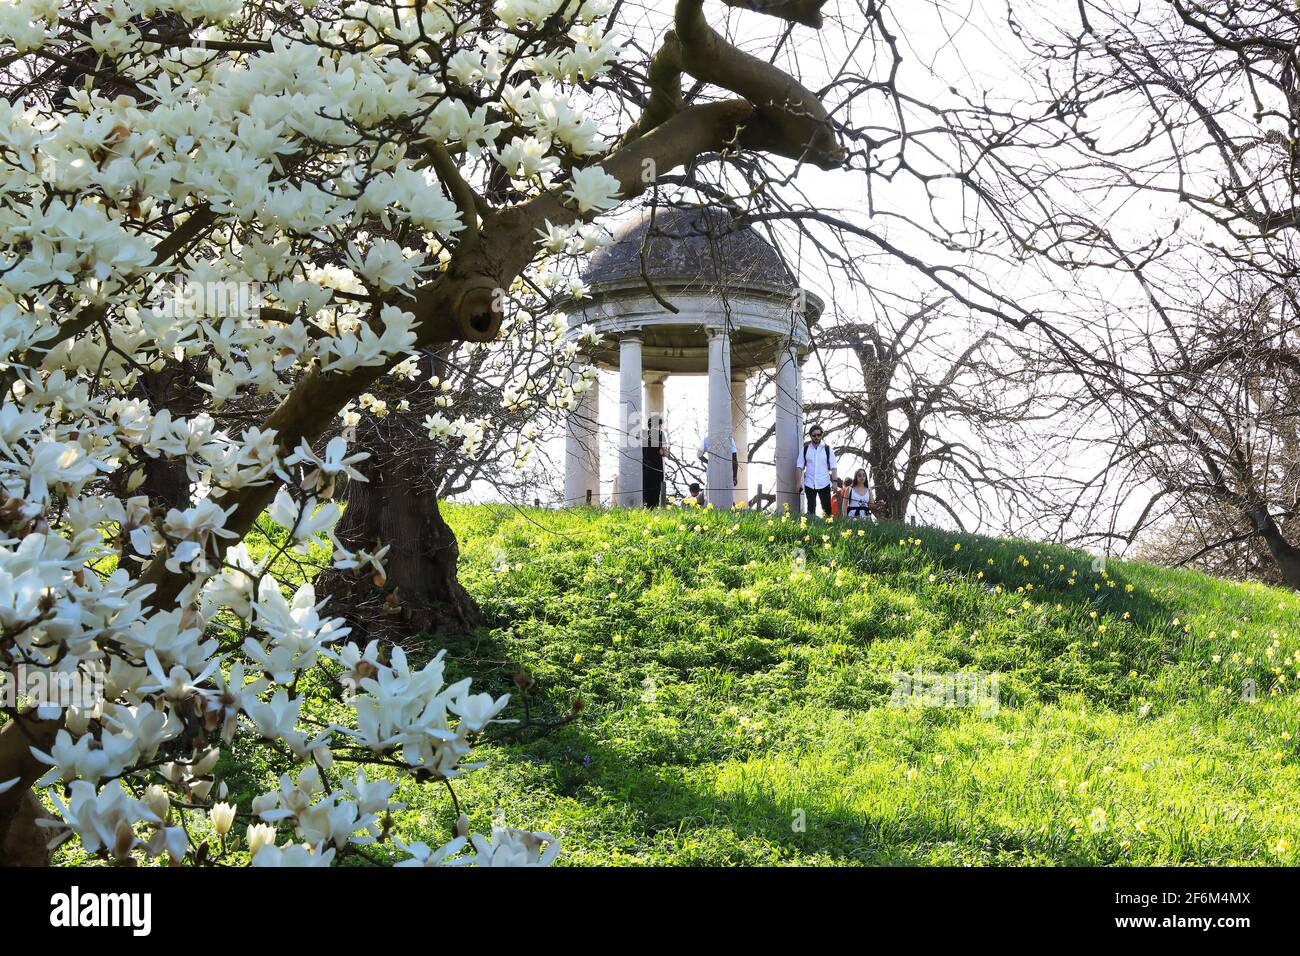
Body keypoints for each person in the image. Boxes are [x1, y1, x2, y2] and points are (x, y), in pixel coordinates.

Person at [796, 424, 837, 516]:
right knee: (811, 509)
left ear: (821, 435)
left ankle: (828, 526)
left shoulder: (828, 449)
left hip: (824, 482)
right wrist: (798, 483)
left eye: (819, 435)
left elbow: (833, 467)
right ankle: (811, 527)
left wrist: (835, 482)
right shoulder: (805, 449)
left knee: (827, 509)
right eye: (814, 435)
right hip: (809, 483)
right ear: (810, 436)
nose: (816, 437)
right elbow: (799, 467)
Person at [642, 413, 668, 508]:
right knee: (654, 496)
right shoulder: (660, 434)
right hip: (656, 469)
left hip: (645, 468)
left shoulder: (643, 434)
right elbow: (664, 453)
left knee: (645, 494)